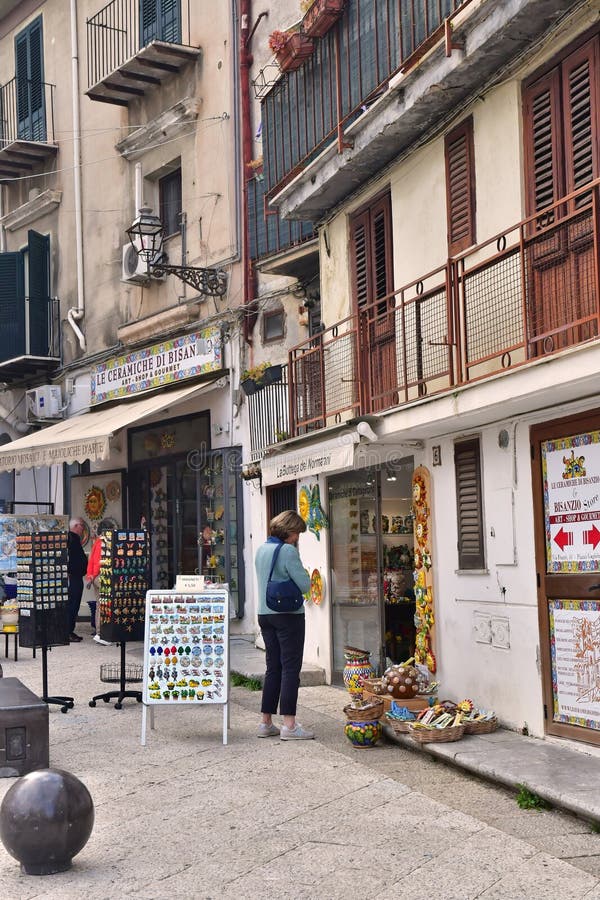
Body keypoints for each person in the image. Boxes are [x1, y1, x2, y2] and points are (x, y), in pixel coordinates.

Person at [254, 510, 313, 740]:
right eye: (297, 532)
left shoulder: (261, 549)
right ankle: (289, 725)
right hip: (288, 616)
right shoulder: (287, 551)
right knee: (290, 668)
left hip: (264, 614)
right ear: (289, 530)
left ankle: (266, 722)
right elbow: (305, 585)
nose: (297, 537)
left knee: (273, 668)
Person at [85, 528, 111, 646]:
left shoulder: (96, 542)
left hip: (94, 577)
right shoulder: (103, 543)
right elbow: (99, 562)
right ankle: (102, 634)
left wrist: (90, 577)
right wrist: (94, 575)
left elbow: (91, 560)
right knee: (104, 604)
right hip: (100, 576)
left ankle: (99, 632)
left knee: (99, 605)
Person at [67, 517, 87, 642]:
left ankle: (70, 630)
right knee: (72, 604)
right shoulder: (71, 539)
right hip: (73, 577)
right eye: (82, 526)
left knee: (74, 605)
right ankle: (68, 631)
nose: (83, 528)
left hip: (76, 576)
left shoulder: (75, 539)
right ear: (75, 526)